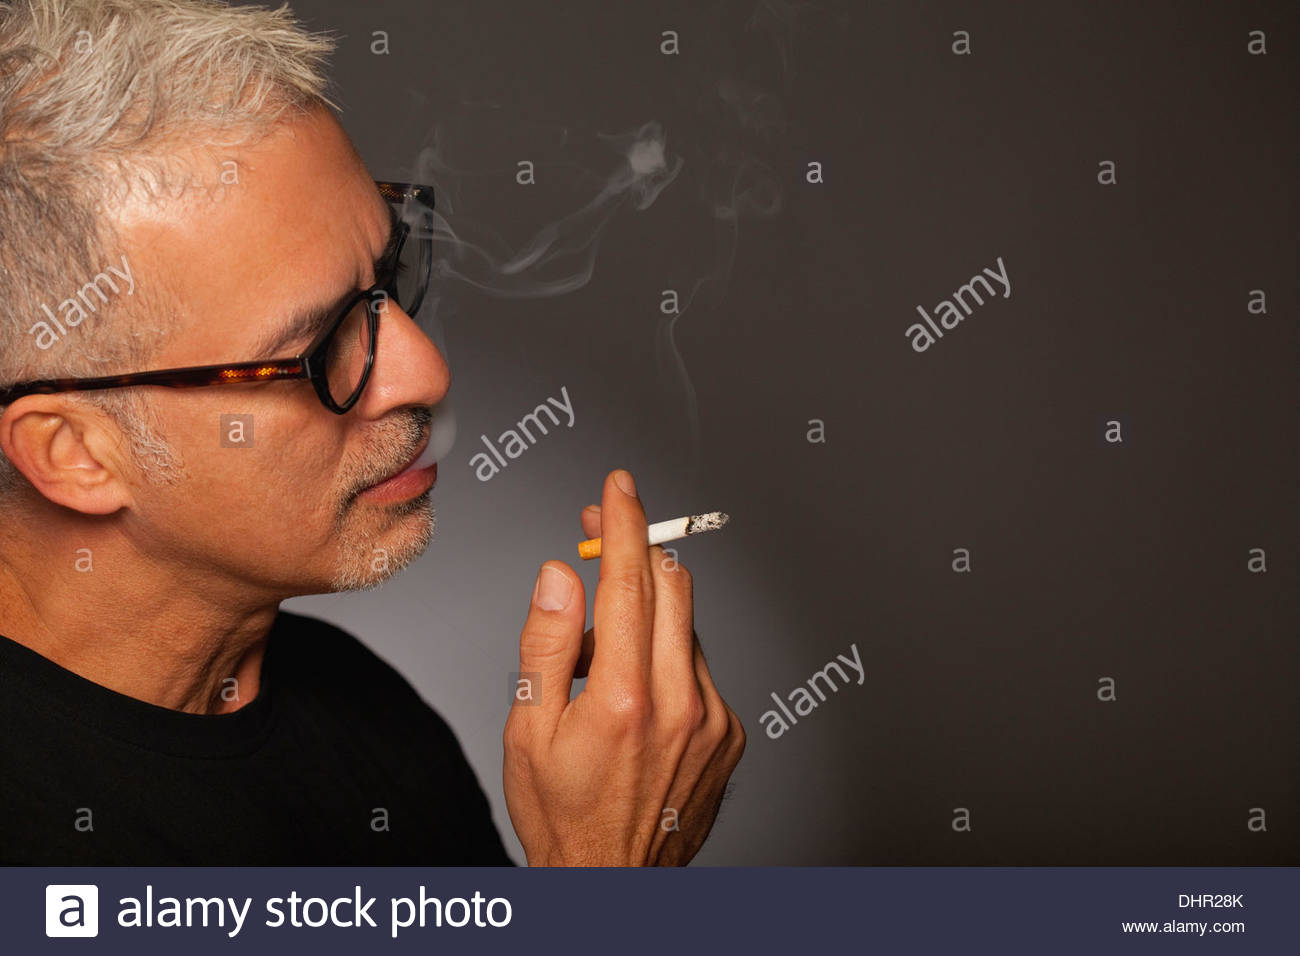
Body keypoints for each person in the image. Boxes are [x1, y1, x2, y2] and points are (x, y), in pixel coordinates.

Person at [0, 0, 744, 865]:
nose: (424, 372)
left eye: (386, 278)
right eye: (317, 345)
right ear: (76, 453)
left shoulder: (362, 718)